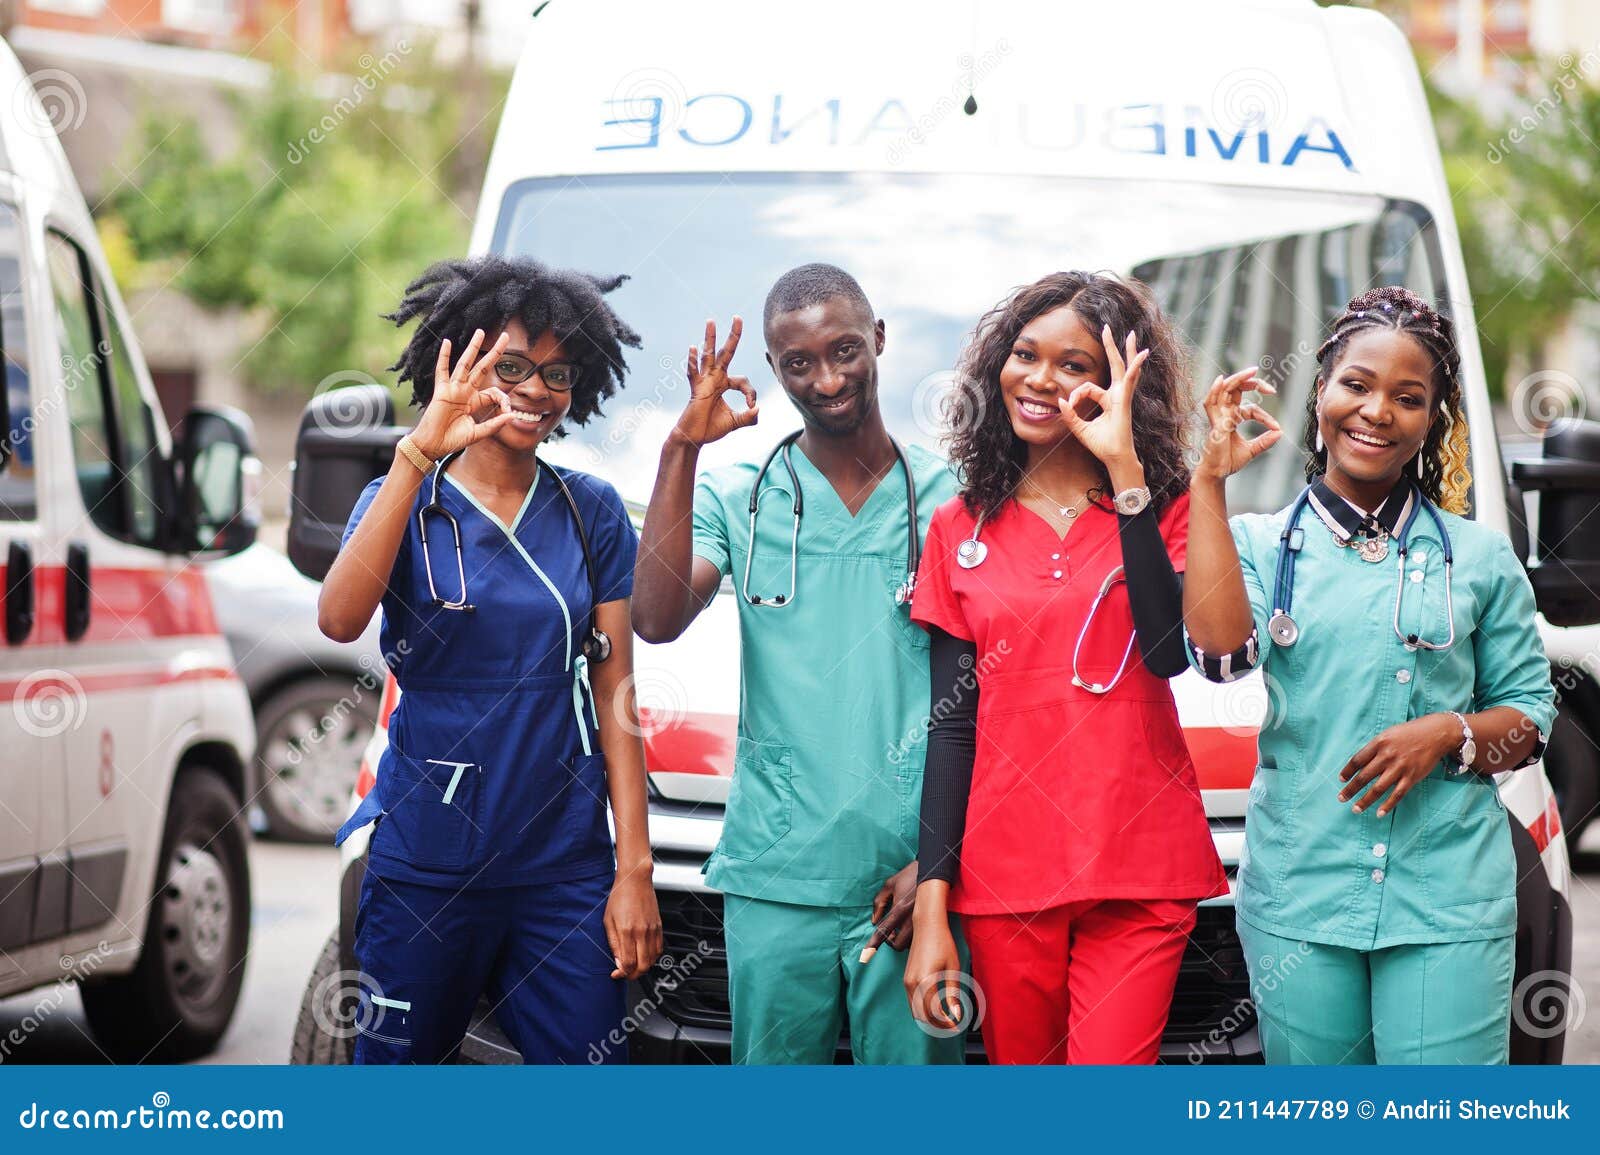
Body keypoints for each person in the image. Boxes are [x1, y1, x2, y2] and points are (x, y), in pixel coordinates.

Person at [1183, 285, 1557, 1064]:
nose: (1377, 411)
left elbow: (1529, 720)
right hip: (1301, 897)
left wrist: (1449, 733)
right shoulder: (1256, 544)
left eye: (1408, 397)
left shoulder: (1478, 556)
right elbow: (1221, 659)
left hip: (1448, 899)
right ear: (1322, 389)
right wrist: (1207, 484)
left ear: (1432, 417)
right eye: (1357, 383)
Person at [319, 255, 661, 1064]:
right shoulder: (405, 498)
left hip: (561, 867)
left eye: (557, 373)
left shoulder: (593, 512)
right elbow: (338, 619)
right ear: (461, 360)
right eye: (511, 366)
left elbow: (618, 695)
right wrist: (414, 454)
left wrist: (633, 868)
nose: (536, 390)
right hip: (428, 863)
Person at [633, 263, 963, 1064]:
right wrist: (682, 447)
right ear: (776, 372)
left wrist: (940, 863)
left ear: (879, 340)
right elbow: (655, 615)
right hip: (780, 875)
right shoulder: (736, 497)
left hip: (912, 876)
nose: (828, 378)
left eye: (845, 349)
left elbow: (988, 696)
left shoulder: (952, 495)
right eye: (799, 363)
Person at [902, 271, 1227, 1064]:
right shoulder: (958, 527)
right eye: (1025, 354)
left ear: (1118, 385)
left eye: (1074, 363)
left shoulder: (1170, 507)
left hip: (1139, 869)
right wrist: (934, 910)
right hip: (1007, 878)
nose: (1041, 379)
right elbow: (952, 731)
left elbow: (1165, 651)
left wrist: (1126, 477)